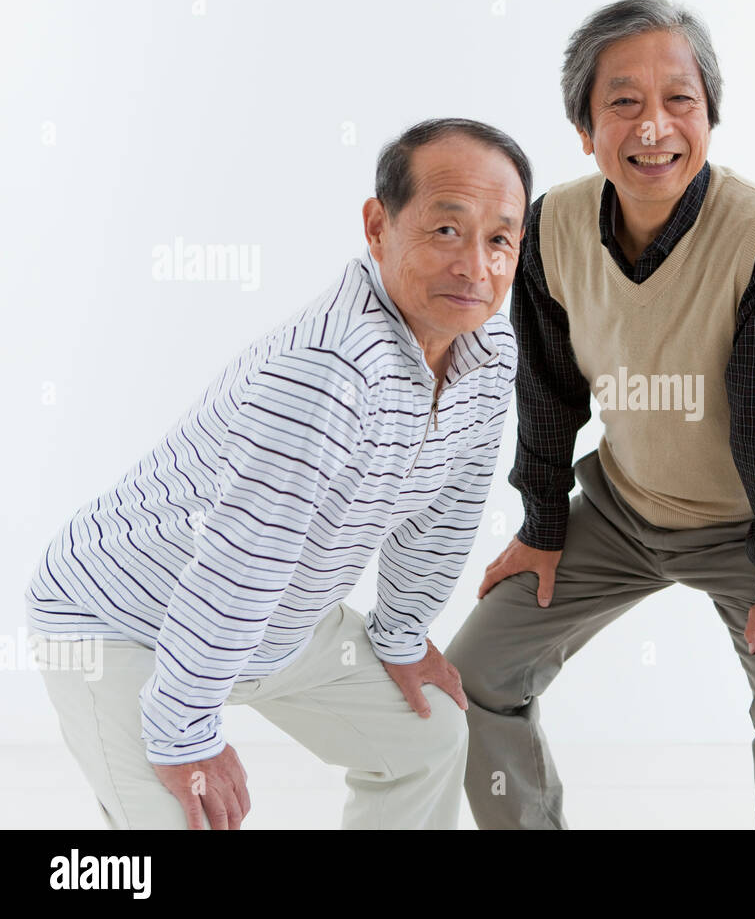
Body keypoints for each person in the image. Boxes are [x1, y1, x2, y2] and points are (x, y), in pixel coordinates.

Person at [25, 118, 530, 829]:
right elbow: (241, 560)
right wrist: (183, 730)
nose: (475, 267)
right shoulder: (329, 373)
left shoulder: (488, 343)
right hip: (120, 620)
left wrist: (401, 634)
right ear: (377, 225)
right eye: (446, 230)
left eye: (500, 239)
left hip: (274, 620)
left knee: (428, 737)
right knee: (188, 820)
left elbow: (444, 509)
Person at [445, 0, 755, 829]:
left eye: (680, 101)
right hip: (621, 513)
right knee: (472, 677)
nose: (653, 127)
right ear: (583, 125)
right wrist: (542, 524)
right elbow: (548, 388)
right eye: (622, 102)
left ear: (710, 114)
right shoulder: (549, 223)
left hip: (753, 533)